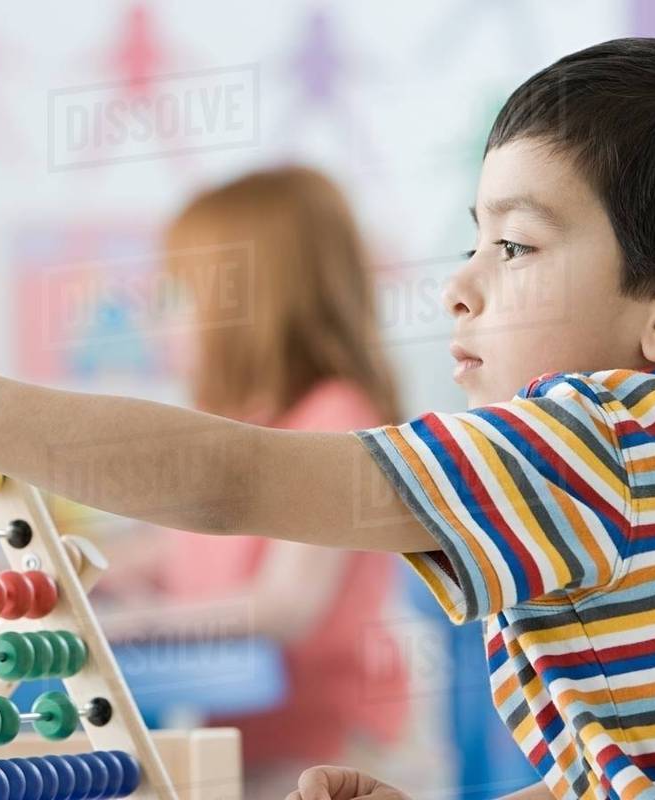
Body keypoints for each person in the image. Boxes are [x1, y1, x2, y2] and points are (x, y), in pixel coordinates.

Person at [0, 37, 655, 800]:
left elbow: (231, 480)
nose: (460, 288)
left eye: (513, 247)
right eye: (473, 239)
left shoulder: (598, 437)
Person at [98, 167, 408, 784]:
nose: (162, 322)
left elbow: (283, 605)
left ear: (252, 305)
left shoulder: (336, 421)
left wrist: (130, 626)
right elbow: (178, 549)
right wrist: (72, 569)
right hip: (249, 732)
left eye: (177, 298)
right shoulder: (240, 424)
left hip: (330, 754)